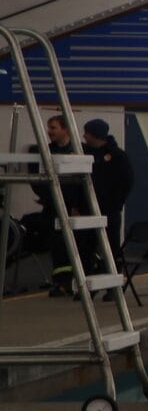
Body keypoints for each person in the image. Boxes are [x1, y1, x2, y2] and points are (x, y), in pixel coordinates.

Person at [28, 116, 89, 297]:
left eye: (54, 127)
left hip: (75, 208)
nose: (50, 131)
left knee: (79, 246)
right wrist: (48, 198)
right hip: (53, 206)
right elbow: (39, 180)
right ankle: (60, 283)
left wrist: (79, 205)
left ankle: (78, 281)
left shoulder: (79, 151)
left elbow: (84, 182)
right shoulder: (46, 152)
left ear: (65, 130)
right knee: (57, 246)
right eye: (49, 128)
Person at [80, 119, 133, 284]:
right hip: (87, 210)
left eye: (87, 133)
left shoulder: (117, 155)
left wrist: (116, 204)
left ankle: (113, 285)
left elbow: (127, 181)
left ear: (95, 135)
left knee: (111, 248)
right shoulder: (84, 154)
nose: (84, 136)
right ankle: (85, 283)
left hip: (110, 210)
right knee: (86, 248)